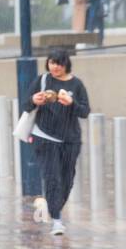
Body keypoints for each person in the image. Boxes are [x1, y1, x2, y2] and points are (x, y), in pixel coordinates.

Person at [25, 49, 90, 236]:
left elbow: (85, 111)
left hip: (70, 140)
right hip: (44, 137)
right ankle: (57, 221)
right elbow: (26, 105)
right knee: (52, 177)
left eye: (59, 64)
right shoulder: (42, 81)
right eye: (52, 62)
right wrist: (34, 100)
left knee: (67, 180)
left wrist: (71, 103)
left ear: (66, 64)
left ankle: (51, 207)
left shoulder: (76, 84)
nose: (55, 67)